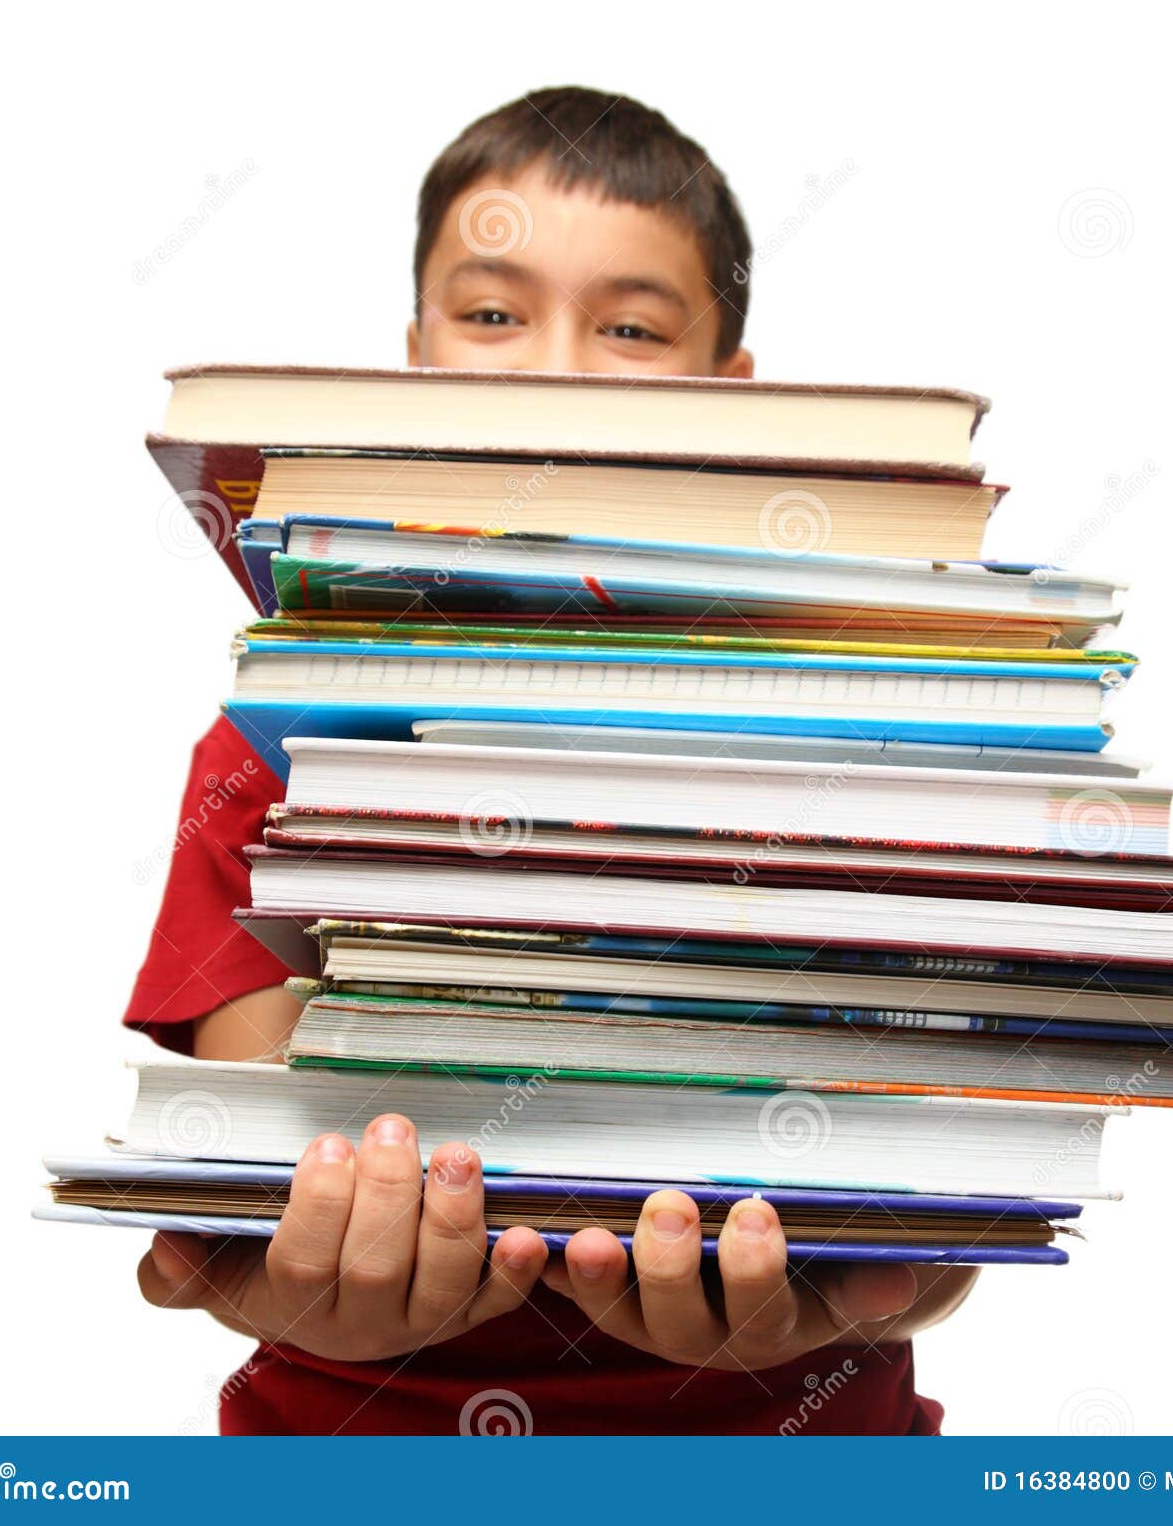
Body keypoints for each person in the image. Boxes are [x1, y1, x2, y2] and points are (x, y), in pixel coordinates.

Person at [128, 86, 976, 1435]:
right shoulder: (267, 746)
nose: (557, 371)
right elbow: (248, 1160)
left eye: (633, 329)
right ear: (412, 361)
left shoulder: (874, 737)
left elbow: (937, 1195)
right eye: (492, 315)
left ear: (733, 398)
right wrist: (280, 1290)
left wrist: (880, 1290)